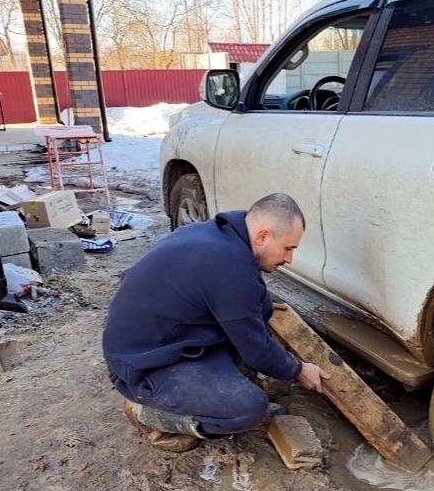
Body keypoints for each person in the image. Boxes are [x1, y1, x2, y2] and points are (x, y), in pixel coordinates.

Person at [103, 193, 329, 452]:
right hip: (144, 366)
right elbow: (257, 350)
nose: (289, 259)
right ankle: (149, 413)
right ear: (263, 236)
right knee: (249, 408)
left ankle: (208, 395)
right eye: (288, 248)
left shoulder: (224, 238)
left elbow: (253, 314)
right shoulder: (228, 269)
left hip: (171, 339)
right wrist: (298, 369)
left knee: (260, 312)